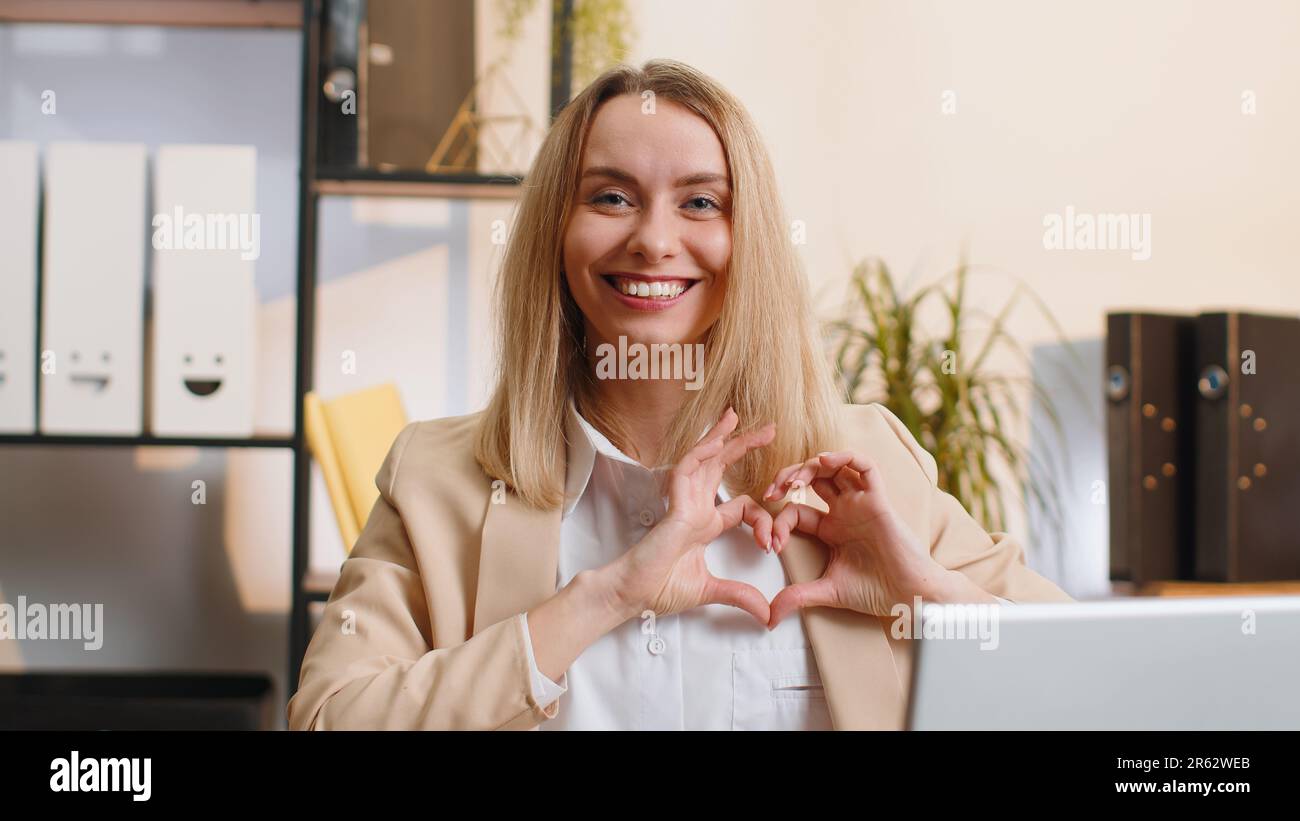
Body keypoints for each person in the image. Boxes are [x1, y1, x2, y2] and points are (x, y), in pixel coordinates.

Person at [286, 59, 1071, 732]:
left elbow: (1113, 697)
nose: (654, 240)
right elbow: (330, 716)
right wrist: (602, 598)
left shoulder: (869, 464)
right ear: (556, 236)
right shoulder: (437, 477)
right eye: (611, 197)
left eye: (701, 202)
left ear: (748, 238)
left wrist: (930, 595)